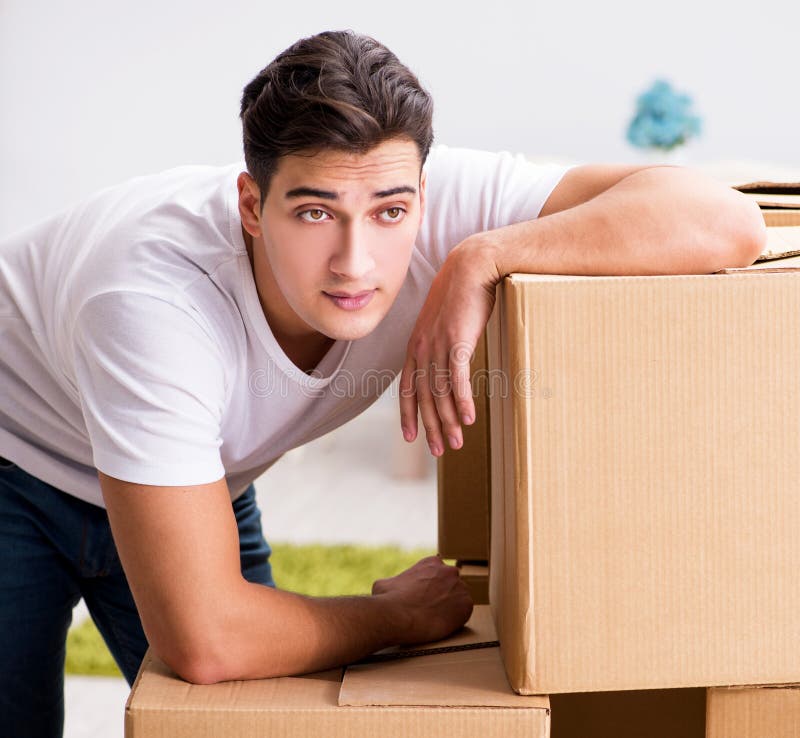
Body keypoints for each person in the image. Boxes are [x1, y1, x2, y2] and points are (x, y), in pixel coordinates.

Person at [0, 29, 764, 738]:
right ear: (251, 206)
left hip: (201, 477)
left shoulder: (443, 209)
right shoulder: (152, 302)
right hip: (16, 463)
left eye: (391, 211)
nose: (355, 262)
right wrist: (397, 619)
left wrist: (482, 257)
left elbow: (721, 218)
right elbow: (210, 640)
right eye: (314, 212)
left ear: (422, 198)